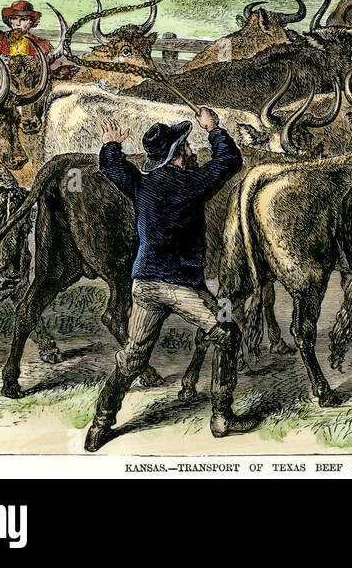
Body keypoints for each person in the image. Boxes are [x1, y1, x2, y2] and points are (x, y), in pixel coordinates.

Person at [84, 106, 255, 452]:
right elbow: (229, 163)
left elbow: (112, 167)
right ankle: (222, 417)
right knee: (225, 331)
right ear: (179, 155)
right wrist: (214, 129)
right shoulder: (190, 183)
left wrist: (111, 145)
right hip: (180, 287)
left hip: (144, 285)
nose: (193, 152)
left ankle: (100, 424)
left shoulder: (142, 185)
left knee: (132, 357)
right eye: (188, 148)